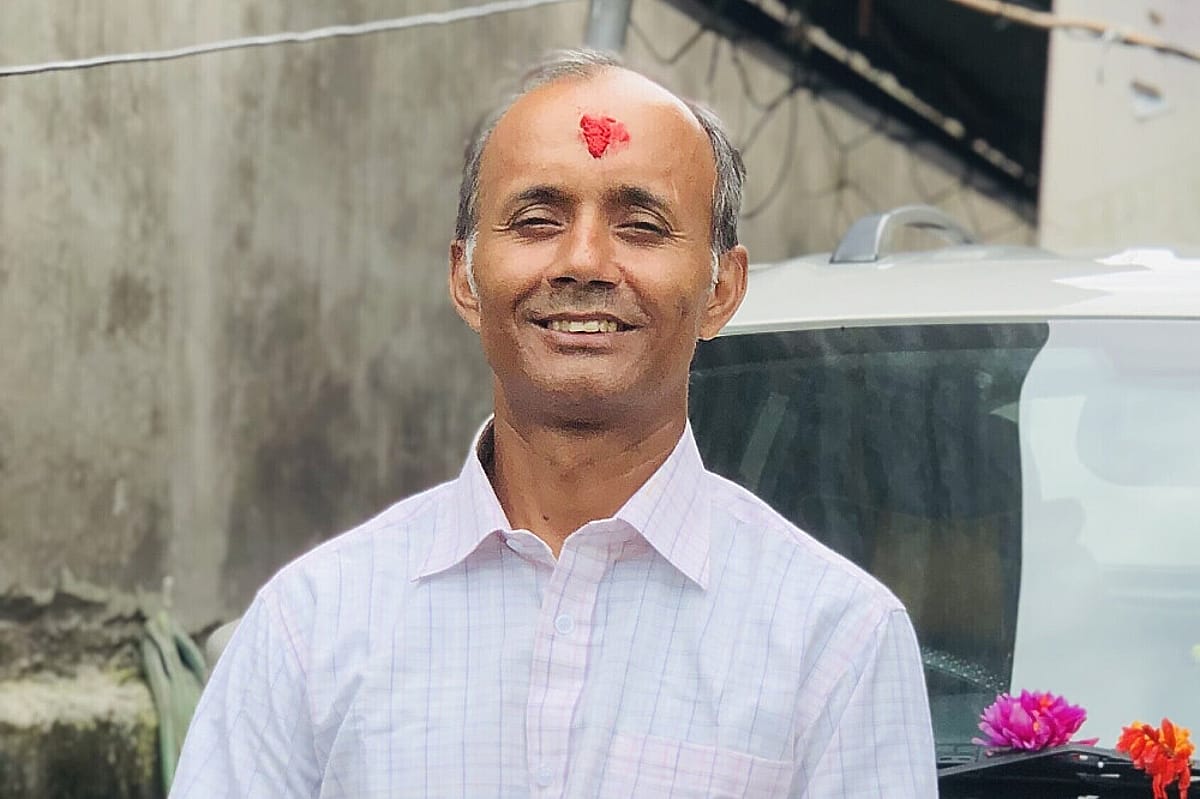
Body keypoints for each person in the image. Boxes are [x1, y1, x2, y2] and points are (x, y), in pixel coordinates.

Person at [171, 49, 936, 797]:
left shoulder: (834, 641)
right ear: (464, 279)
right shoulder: (313, 623)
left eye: (640, 225)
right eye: (537, 219)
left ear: (721, 289)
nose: (583, 262)